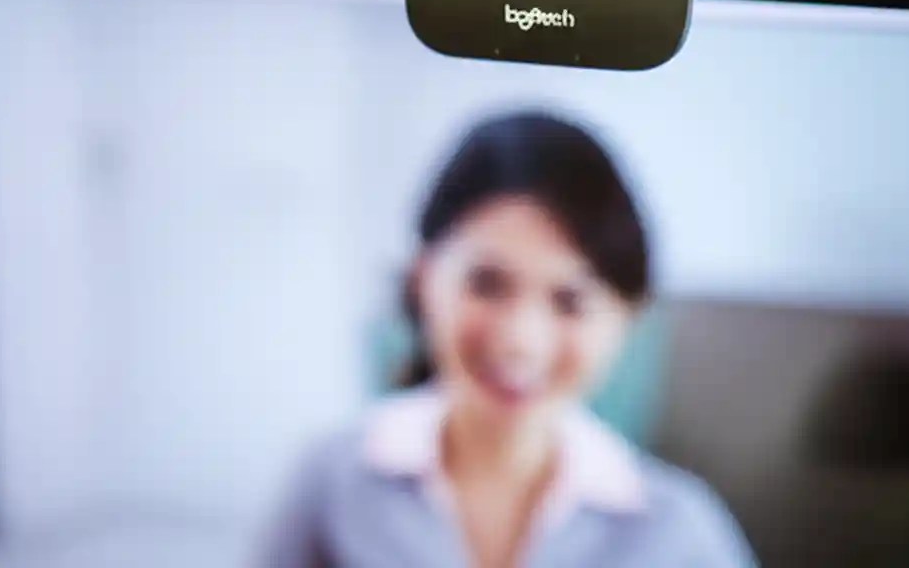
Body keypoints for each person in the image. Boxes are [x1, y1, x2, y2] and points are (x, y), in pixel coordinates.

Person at [259, 111, 758, 568]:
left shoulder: (680, 534)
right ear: (422, 281)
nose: (521, 339)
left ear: (626, 317)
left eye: (569, 301)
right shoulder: (329, 483)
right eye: (486, 284)